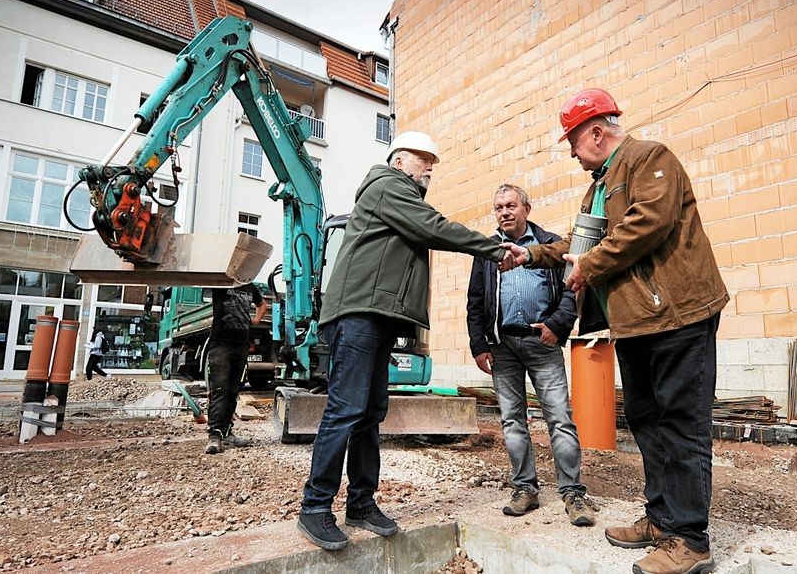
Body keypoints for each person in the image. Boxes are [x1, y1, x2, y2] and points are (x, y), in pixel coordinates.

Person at [502, 88, 729, 574]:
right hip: (636, 323)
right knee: (647, 423)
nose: (571, 152)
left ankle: (691, 540)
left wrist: (590, 267)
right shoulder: (599, 186)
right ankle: (663, 520)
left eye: (572, 142)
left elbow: (649, 222)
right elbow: (580, 241)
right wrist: (533, 253)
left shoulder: (649, 158)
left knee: (682, 426)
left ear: (596, 132)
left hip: (678, 315)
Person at [297, 130, 516, 551]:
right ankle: (314, 507)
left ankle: (361, 503)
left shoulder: (396, 194)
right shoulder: (388, 187)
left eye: (433, 160)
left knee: (369, 412)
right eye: (423, 158)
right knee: (346, 409)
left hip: (376, 317)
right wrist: (491, 247)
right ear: (400, 160)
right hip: (358, 313)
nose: (430, 166)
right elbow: (434, 227)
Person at [466, 183, 594, 527]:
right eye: (498, 208)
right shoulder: (486, 250)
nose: (504, 212)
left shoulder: (550, 245)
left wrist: (557, 325)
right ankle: (525, 489)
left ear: (527, 209)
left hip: (543, 344)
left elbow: (571, 290)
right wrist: (478, 344)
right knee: (512, 422)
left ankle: (573, 493)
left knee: (560, 419)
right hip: (502, 346)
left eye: (510, 205)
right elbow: (475, 300)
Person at [205, 282, 269, 454]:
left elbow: (262, 304)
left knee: (234, 390)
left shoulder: (250, 287)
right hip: (221, 345)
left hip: (241, 346)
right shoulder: (222, 282)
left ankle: (226, 433)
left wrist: (256, 320)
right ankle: (214, 436)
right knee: (220, 389)